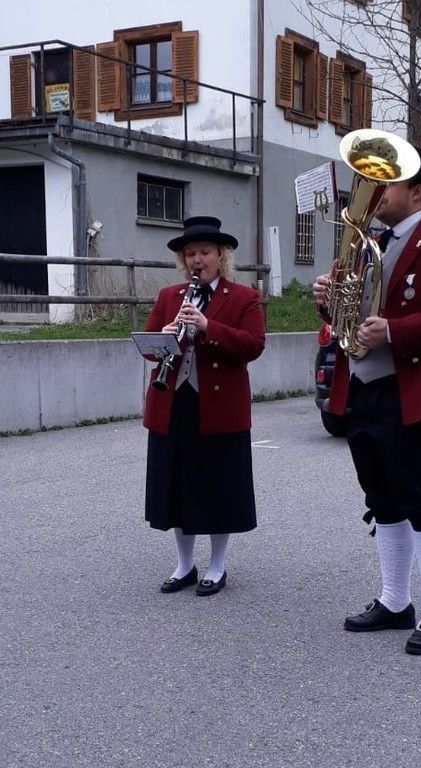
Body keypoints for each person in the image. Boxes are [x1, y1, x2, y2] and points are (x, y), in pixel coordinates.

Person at [313, 150, 421, 655]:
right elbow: (350, 314)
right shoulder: (370, 243)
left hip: (419, 392)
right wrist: (328, 300)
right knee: (381, 498)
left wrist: (394, 330)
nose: (374, 191)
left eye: (385, 183)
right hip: (366, 387)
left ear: (417, 191)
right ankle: (394, 601)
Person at [142, 215, 265, 596]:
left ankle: (217, 565)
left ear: (221, 256)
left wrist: (209, 327)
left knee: (217, 486)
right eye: (190, 253)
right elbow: (147, 345)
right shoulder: (169, 297)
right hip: (174, 402)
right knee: (177, 485)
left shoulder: (243, 297)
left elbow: (253, 345)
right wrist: (163, 337)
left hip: (220, 407)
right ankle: (184, 565)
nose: (197, 259)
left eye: (205, 252)